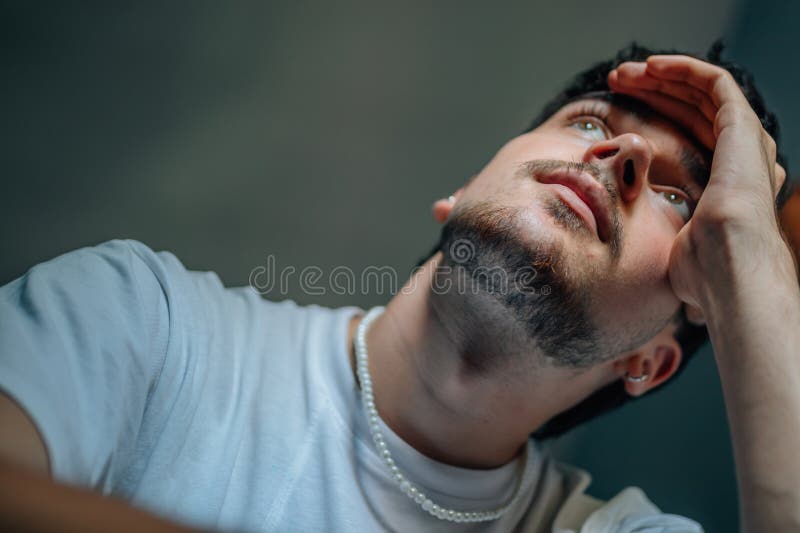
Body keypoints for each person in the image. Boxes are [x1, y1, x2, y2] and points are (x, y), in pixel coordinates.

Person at [1, 41, 798, 533]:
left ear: (651, 363)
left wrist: (753, 265)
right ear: (463, 190)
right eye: (591, 121)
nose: (618, 152)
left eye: (678, 199)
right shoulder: (144, 321)